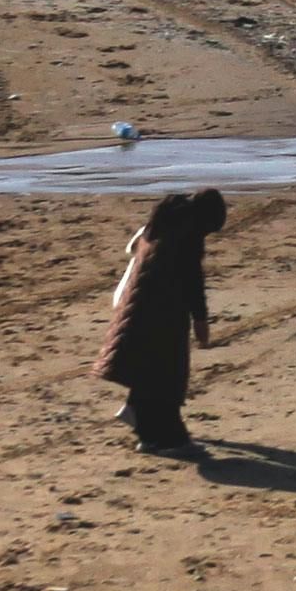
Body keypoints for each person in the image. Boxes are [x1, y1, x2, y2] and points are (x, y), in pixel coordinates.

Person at [97, 185, 226, 456]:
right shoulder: (188, 236)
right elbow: (193, 283)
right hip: (162, 311)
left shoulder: (160, 223)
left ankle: (143, 424)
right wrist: (201, 322)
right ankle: (168, 439)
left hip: (137, 304)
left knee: (149, 371)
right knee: (165, 377)